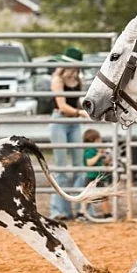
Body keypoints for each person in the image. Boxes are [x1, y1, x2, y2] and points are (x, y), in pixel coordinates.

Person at [48, 47, 89, 220]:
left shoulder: (79, 79)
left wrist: (82, 110)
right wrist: (80, 113)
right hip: (60, 121)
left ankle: (82, 210)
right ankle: (59, 210)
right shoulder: (57, 79)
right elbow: (62, 106)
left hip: (74, 123)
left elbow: (79, 101)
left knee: (80, 166)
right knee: (61, 167)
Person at [81, 128, 112, 219]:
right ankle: (107, 214)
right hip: (92, 177)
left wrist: (106, 158)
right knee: (99, 196)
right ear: (92, 140)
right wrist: (99, 154)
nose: (100, 142)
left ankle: (82, 214)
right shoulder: (90, 150)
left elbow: (103, 162)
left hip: (98, 176)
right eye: (98, 140)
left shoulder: (95, 150)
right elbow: (89, 163)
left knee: (92, 197)